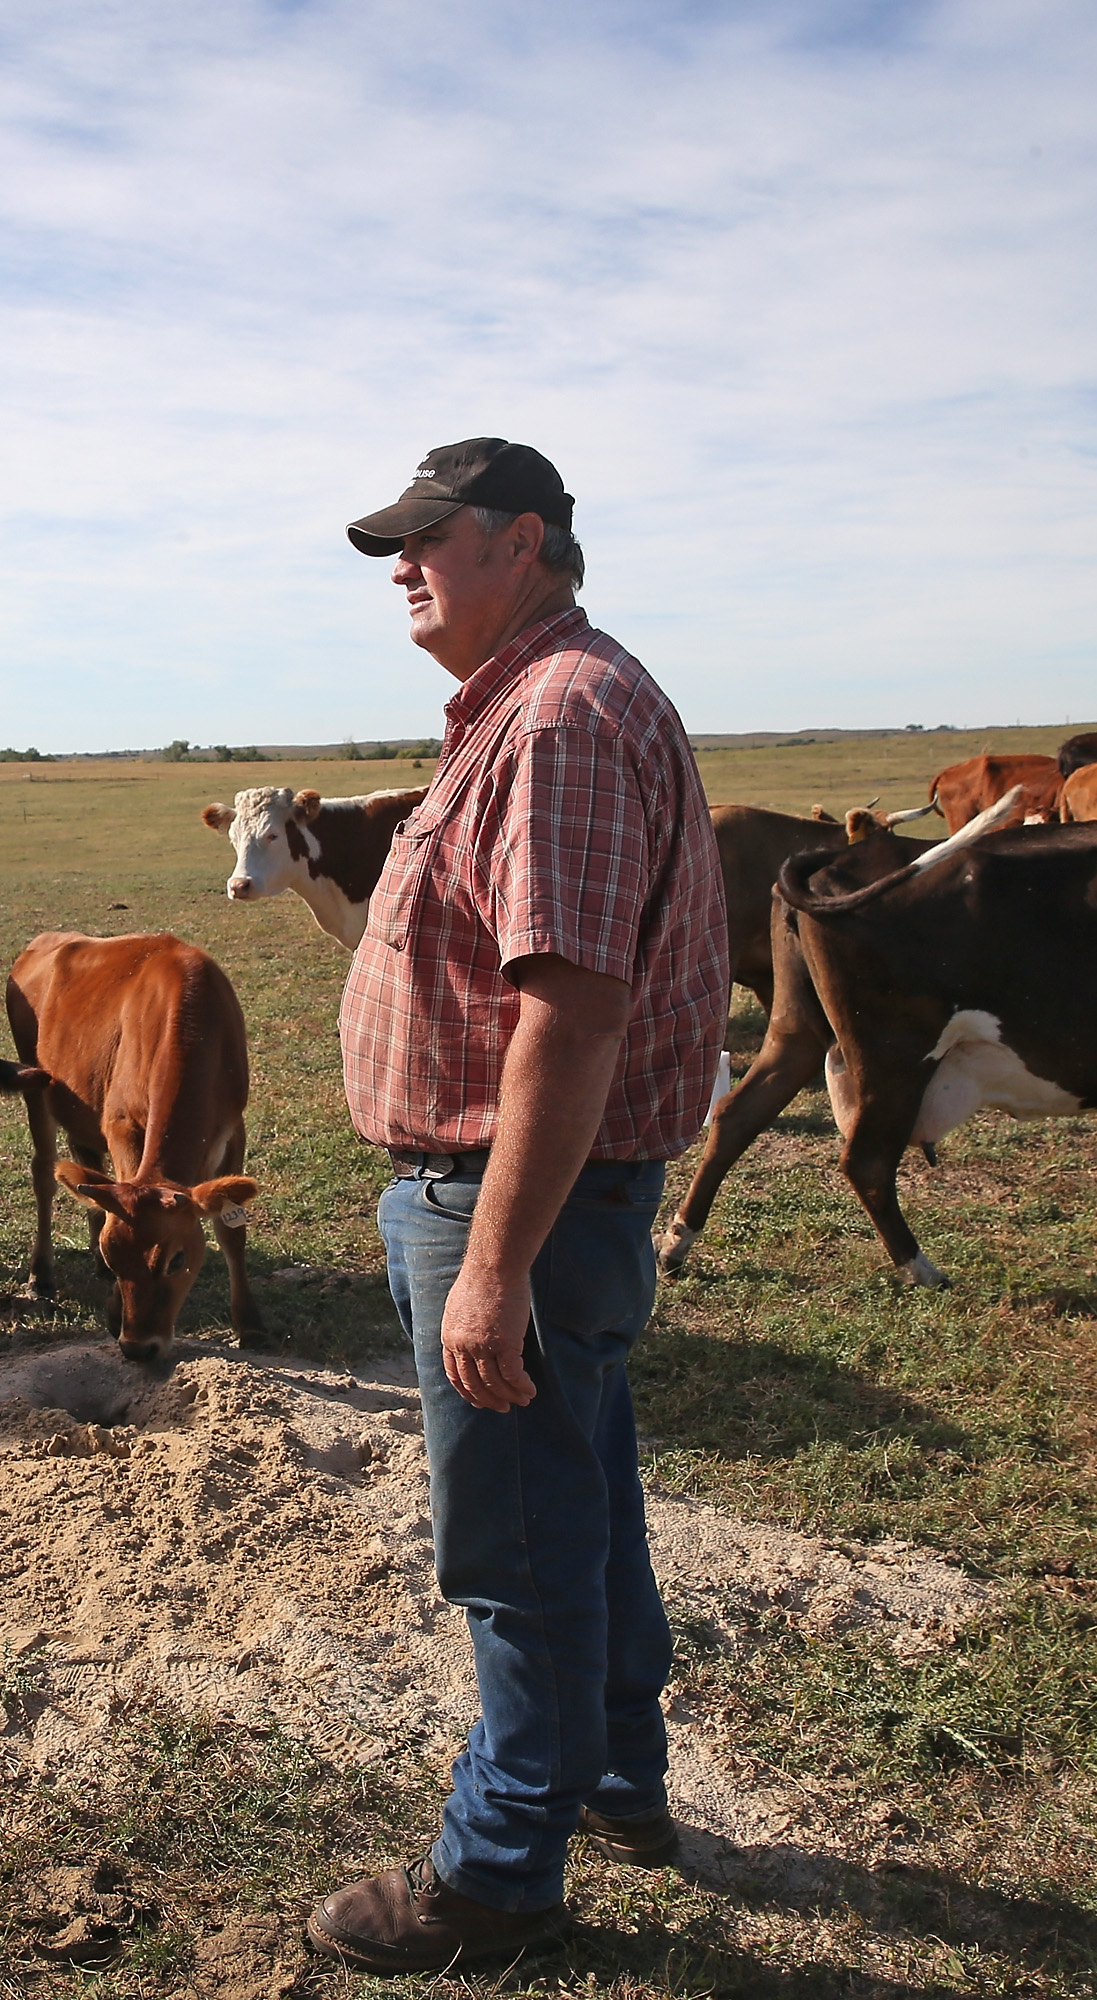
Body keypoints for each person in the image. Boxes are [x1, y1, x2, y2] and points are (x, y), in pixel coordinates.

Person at [304, 438, 730, 1974]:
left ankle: (495, 1876)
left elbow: (571, 1013)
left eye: (431, 536)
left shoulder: (553, 720)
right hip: (529, 1195)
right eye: (392, 544)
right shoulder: (537, 704)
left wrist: (494, 1264)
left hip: (514, 1197)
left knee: (515, 1539)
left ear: (527, 541)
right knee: (583, 1494)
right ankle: (618, 1776)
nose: (403, 565)